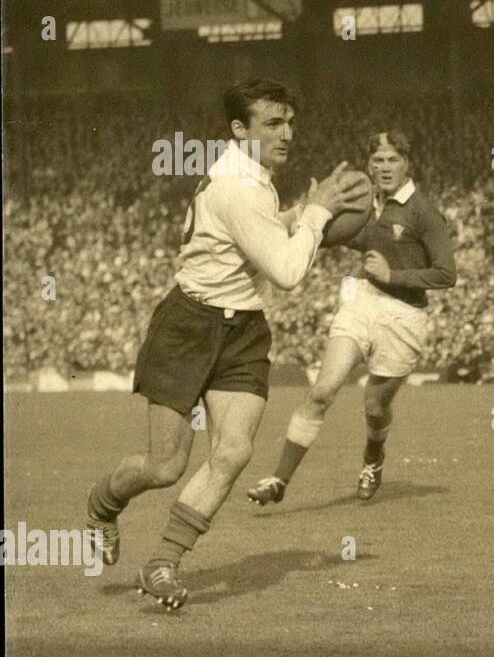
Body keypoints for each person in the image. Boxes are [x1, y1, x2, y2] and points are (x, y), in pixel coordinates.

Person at [84, 78, 370, 609]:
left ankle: (163, 565)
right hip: (188, 326)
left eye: (289, 122)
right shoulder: (239, 186)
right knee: (165, 466)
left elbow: (262, 236)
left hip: (243, 330)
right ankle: (103, 504)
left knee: (234, 451)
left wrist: (301, 213)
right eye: (272, 124)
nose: (287, 133)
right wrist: (319, 213)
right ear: (239, 130)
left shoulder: (252, 177)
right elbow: (286, 271)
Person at [247, 130, 456, 506]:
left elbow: (446, 274)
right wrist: (313, 210)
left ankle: (373, 459)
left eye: (393, 160)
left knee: (375, 407)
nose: (384, 167)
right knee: (322, 391)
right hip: (362, 302)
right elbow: (326, 237)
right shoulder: (366, 207)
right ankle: (278, 479)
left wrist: (394, 276)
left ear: (408, 164)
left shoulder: (423, 212)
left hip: (405, 317)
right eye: (378, 160)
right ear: (369, 166)